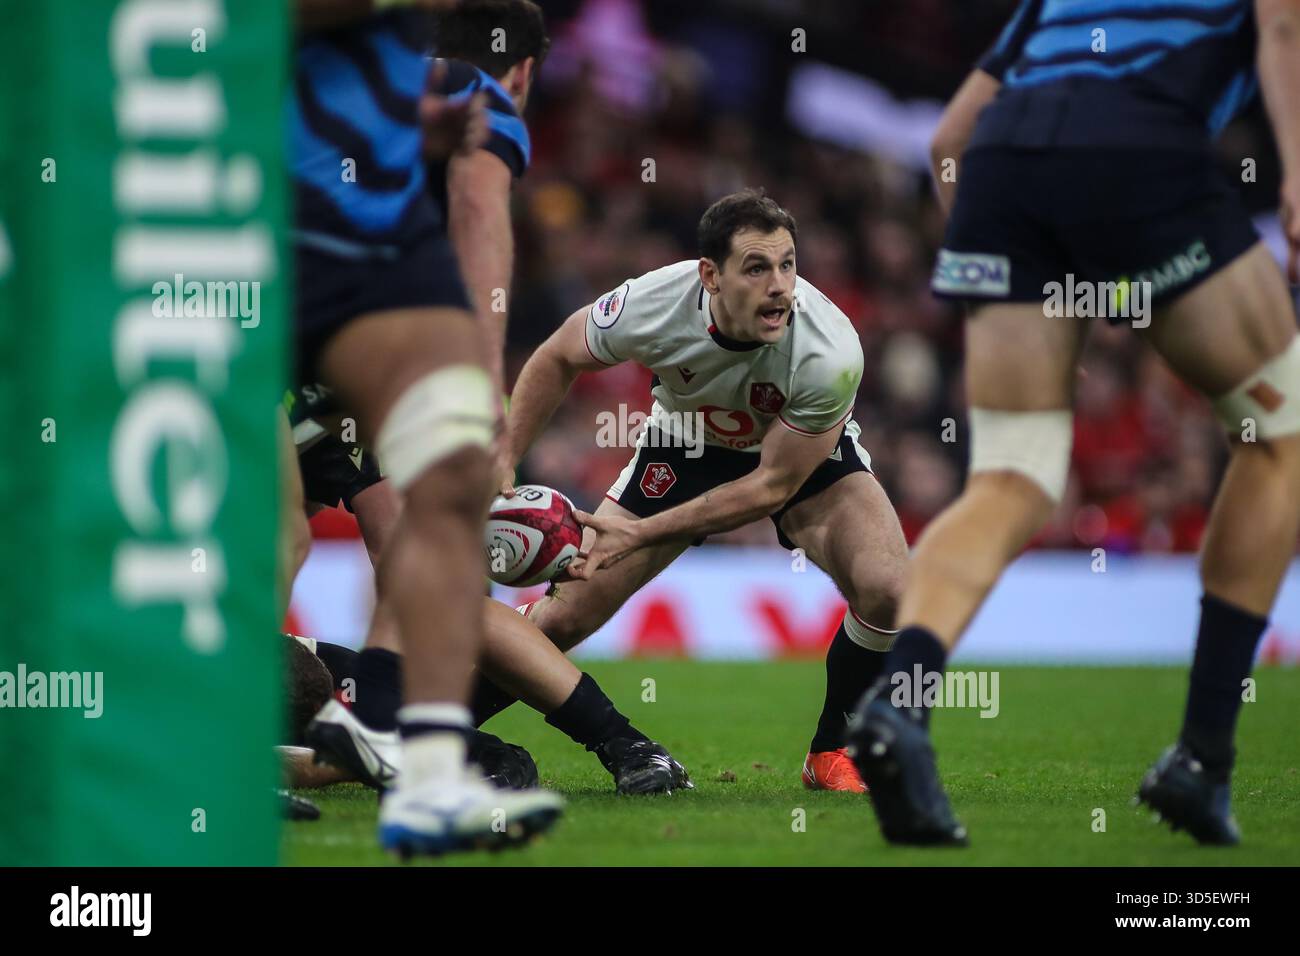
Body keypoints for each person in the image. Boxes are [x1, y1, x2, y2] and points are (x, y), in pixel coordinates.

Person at [848, 0, 1300, 846]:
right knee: (1280, 435)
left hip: (1003, 166)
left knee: (1012, 474)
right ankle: (1202, 758)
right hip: (1141, 148)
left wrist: (1024, 291)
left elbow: (950, 139)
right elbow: (1282, 28)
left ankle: (897, 705)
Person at [498, 189, 911, 792]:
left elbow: (773, 485)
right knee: (565, 616)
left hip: (795, 454)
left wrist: (639, 532)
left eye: (788, 264)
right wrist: (505, 462)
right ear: (710, 277)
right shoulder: (654, 302)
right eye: (757, 268)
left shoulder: (830, 350)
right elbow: (558, 355)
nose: (780, 286)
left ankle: (832, 752)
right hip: (683, 445)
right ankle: (427, 732)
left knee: (890, 589)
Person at [290, 0, 561, 856]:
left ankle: (406, 756)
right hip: (248, 267)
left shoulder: (439, 77)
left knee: (433, 488)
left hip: (323, 283)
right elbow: (480, 211)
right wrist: (482, 373)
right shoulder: (474, 82)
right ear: (527, 70)